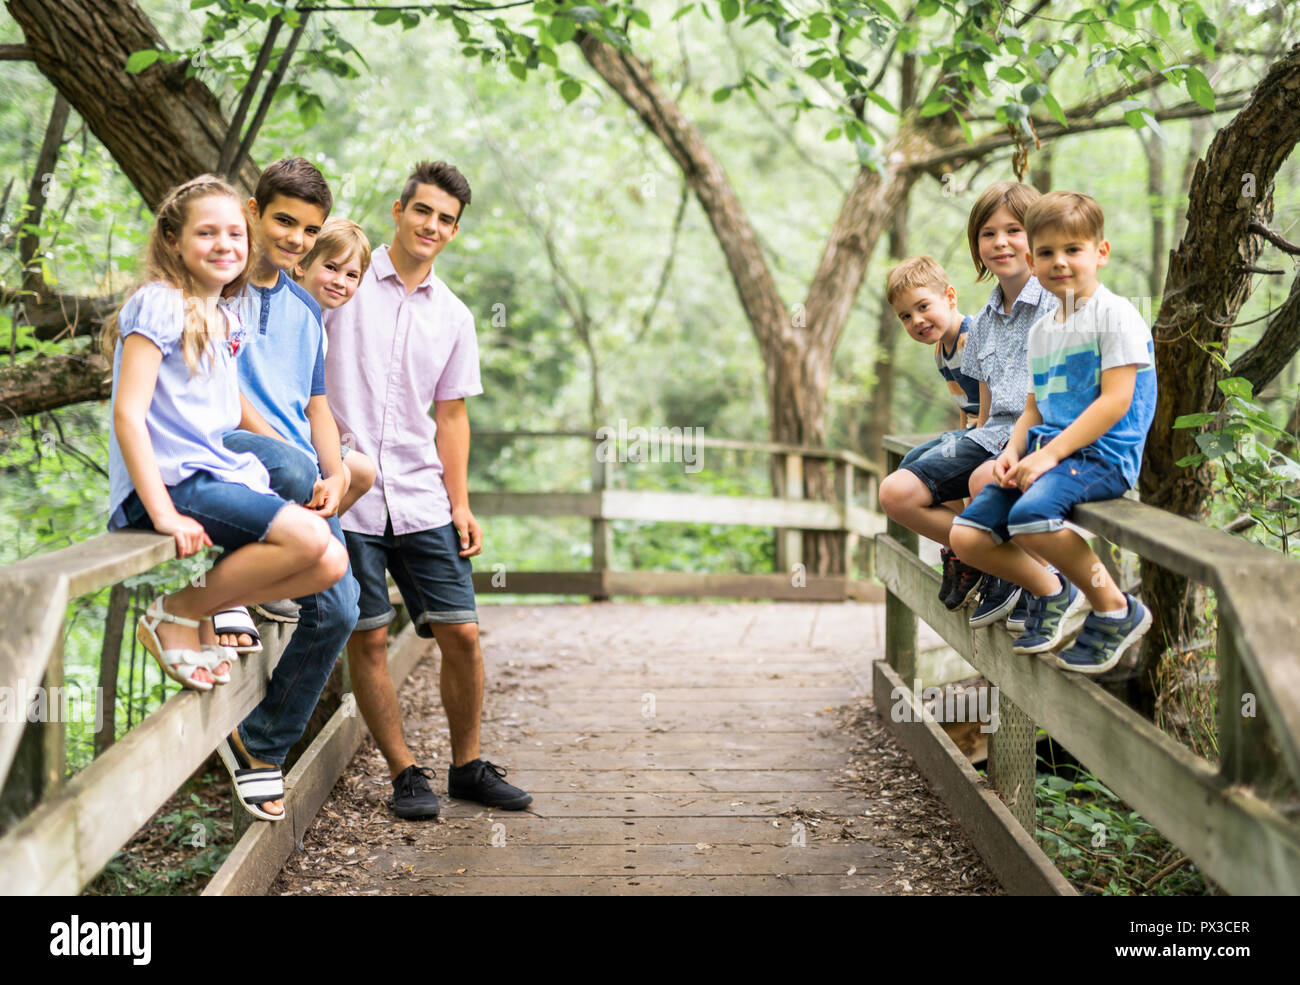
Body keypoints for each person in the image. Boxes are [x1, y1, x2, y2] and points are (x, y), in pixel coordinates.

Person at [105, 175, 347, 823]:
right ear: (174, 241)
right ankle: (176, 610)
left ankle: (195, 607)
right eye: (206, 233)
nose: (224, 244)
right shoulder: (157, 303)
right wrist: (160, 511)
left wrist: (290, 460)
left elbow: (224, 412)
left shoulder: (222, 314)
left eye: (232, 234)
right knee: (310, 543)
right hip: (174, 484)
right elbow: (131, 416)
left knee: (328, 562)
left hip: (217, 474)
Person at [325, 160, 532, 819]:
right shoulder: (343, 285)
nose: (433, 226)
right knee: (370, 636)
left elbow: (451, 416)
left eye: (446, 219)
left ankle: (467, 766)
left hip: (421, 495)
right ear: (398, 209)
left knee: (463, 633)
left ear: (455, 230)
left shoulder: (456, 316)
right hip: (349, 491)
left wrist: (461, 501)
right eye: (424, 211)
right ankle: (404, 771)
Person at [949, 190, 1156, 674]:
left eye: (1073, 249)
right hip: (1049, 454)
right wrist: (1014, 450)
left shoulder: (1115, 315)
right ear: (1031, 259)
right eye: (1046, 252)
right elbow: (1032, 407)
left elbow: (1115, 400)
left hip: (1101, 455)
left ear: (1099, 253)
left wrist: (1046, 456)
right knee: (968, 535)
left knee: (1029, 518)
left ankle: (1116, 607)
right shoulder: (1044, 329)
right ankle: (1052, 590)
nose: (1059, 262)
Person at [215, 158, 362, 821]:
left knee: (342, 608)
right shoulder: (215, 289)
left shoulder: (307, 308)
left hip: (296, 470)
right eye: (284, 221)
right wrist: (296, 460)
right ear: (253, 210)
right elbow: (218, 391)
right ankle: (230, 588)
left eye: (309, 229)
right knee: (294, 468)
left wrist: (333, 473)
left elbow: (315, 406)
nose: (297, 238)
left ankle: (260, 741)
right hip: (225, 452)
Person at [878, 182, 1058, 631]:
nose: (1000, 242)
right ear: (977, 246)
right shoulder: (985, 323)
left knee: (982, 478)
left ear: (1036, 235)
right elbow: (985, 410)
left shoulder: (1059, 302)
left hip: (1038, 438)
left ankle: (1028, 578)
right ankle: (988, 557)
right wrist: (962, 440)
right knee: (896, 491)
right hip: (991, 435)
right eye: (987, 233)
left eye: (1014, 230)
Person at [884, 255, 982, 610]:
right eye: (906, 316)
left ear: (950, 296)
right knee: (912, 461)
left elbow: (992, 407)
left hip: (992, 435)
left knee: (928, 472)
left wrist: (969, 448)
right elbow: (964, 407)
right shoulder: (942, 351)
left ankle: (976, 549)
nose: (917, 321)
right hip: (970, 432)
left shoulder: (973, 338)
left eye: (923, 306)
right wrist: (956, 441)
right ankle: (960, 549)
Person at [291, 216, 377, 516]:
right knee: (356, 471)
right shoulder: (291, 313)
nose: (341, 281)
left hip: (299, 434)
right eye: (331, 267)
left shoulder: (318, 324)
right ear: (302, 263)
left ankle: (309, 528)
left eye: (352, 275)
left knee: (362, 471)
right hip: (283, 435)